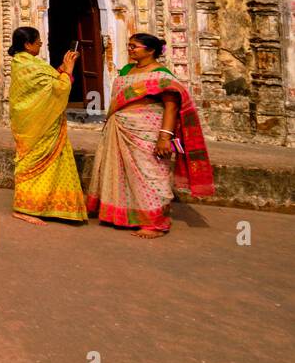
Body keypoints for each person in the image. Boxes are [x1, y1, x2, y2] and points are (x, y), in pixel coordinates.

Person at [87, 32, 214, 239]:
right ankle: (125, 215)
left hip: (148, 130)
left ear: (151, 50)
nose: (129, 49)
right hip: (120, 127)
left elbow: (171, 107)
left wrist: (165, 137)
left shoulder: (162, 75)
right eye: (129, 45)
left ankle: (156, 223)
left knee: (150, 174)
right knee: (121, 173)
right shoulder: (127, 70)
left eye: (134, 46)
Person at [7, 26, 87, 225]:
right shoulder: (30, 65)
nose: (41, 44)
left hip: (35, 123)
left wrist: (63, 67)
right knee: (32, 163)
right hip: (39, 125)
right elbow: (59, 87)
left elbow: (50, 79)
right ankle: (23, 207)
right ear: (27, 44)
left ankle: (46, 205)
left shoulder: (23, 62)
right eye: (37, 41)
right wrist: (68, 71)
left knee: (49, 165)